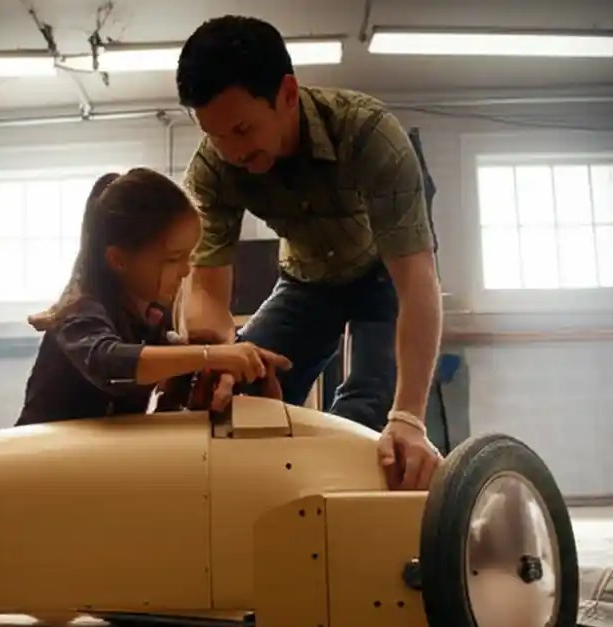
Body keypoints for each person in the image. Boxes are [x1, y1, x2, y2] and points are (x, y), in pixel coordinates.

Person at [175, 16, 444, 490]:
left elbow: (418, 281)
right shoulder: (213, 167)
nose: (231, 151)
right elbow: (207, 292)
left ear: (287, 94)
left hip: (383, 275)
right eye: (216, 136)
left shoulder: (370, 135)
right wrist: (219, 358)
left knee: (369, 419)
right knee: (241, 399)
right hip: (305, 280)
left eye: (242, 129)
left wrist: (409, 417)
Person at [16, 167, 290, 427]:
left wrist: (236, 363)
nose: (185, 271)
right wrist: (211, 356)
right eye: (172, 259)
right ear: (118, 260)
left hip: (90, 460)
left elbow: (166, 370)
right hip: (33, 462)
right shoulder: (79, 310)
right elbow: (108, 363)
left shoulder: (151, 316)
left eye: (188, 257)